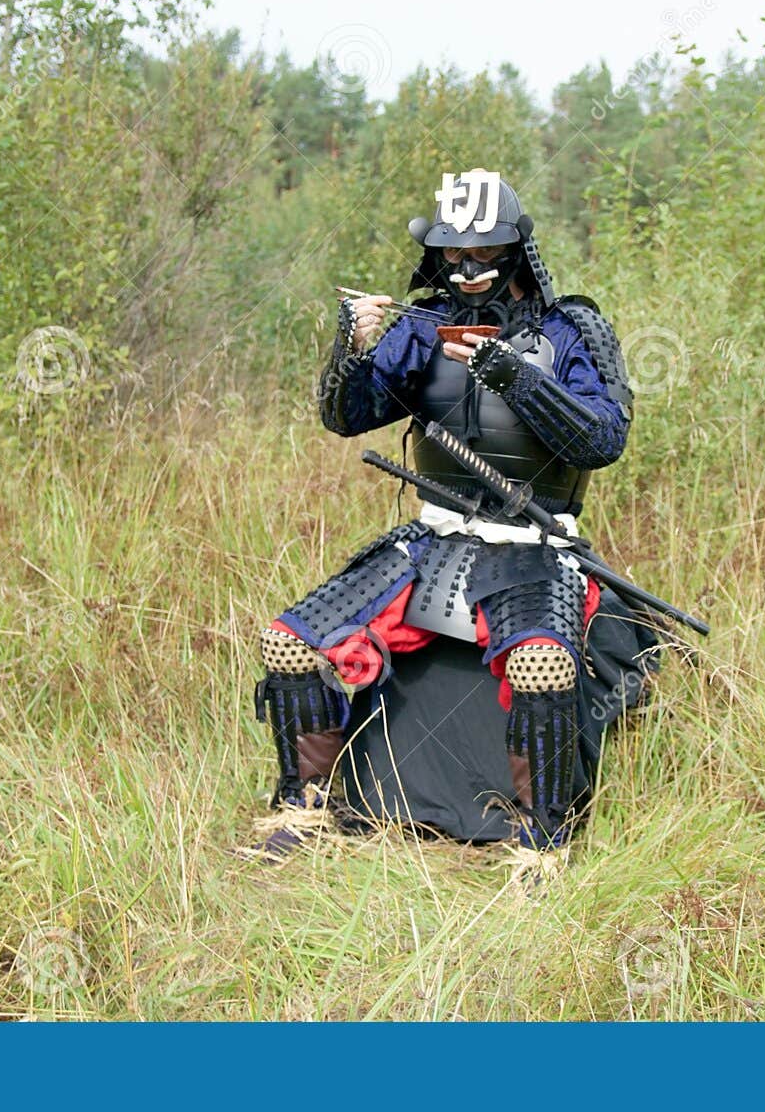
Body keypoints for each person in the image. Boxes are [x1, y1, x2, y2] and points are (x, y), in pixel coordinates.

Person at [250, 169, 658, 885]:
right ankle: (302, 806)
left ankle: (542, 843)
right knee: (288, 643)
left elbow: (603, 439)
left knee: (541, 663)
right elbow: (347, 417)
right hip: (433, 536)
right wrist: (351, 347)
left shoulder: (572, 331)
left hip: (532, 545)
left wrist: (516, 376)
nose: (467, 271)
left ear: (517, 249)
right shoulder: (423, 329)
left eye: (484, 254)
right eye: (454, 255)